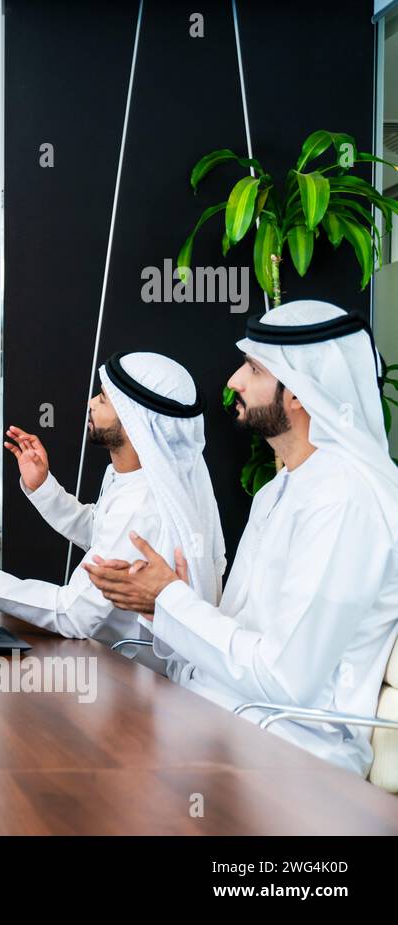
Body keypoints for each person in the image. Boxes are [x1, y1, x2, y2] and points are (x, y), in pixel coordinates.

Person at [86, 301, 398, 775]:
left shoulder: (344, 499)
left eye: (253, 368)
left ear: (297, 393)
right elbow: (240, 634)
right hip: (221, 716)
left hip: (291, 759)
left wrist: (172, 599)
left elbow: (285, 681)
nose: (234, 381)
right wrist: (161, 606)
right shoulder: (277, 491)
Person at [0, 352, 223, 673]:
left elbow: (73, 615)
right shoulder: (132, 480)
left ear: (135, 419)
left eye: (104, 399)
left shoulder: (142, 502)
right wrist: (43, 486)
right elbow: (101, 532)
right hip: (113, 666)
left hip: (135, 680)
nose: (91, 402)